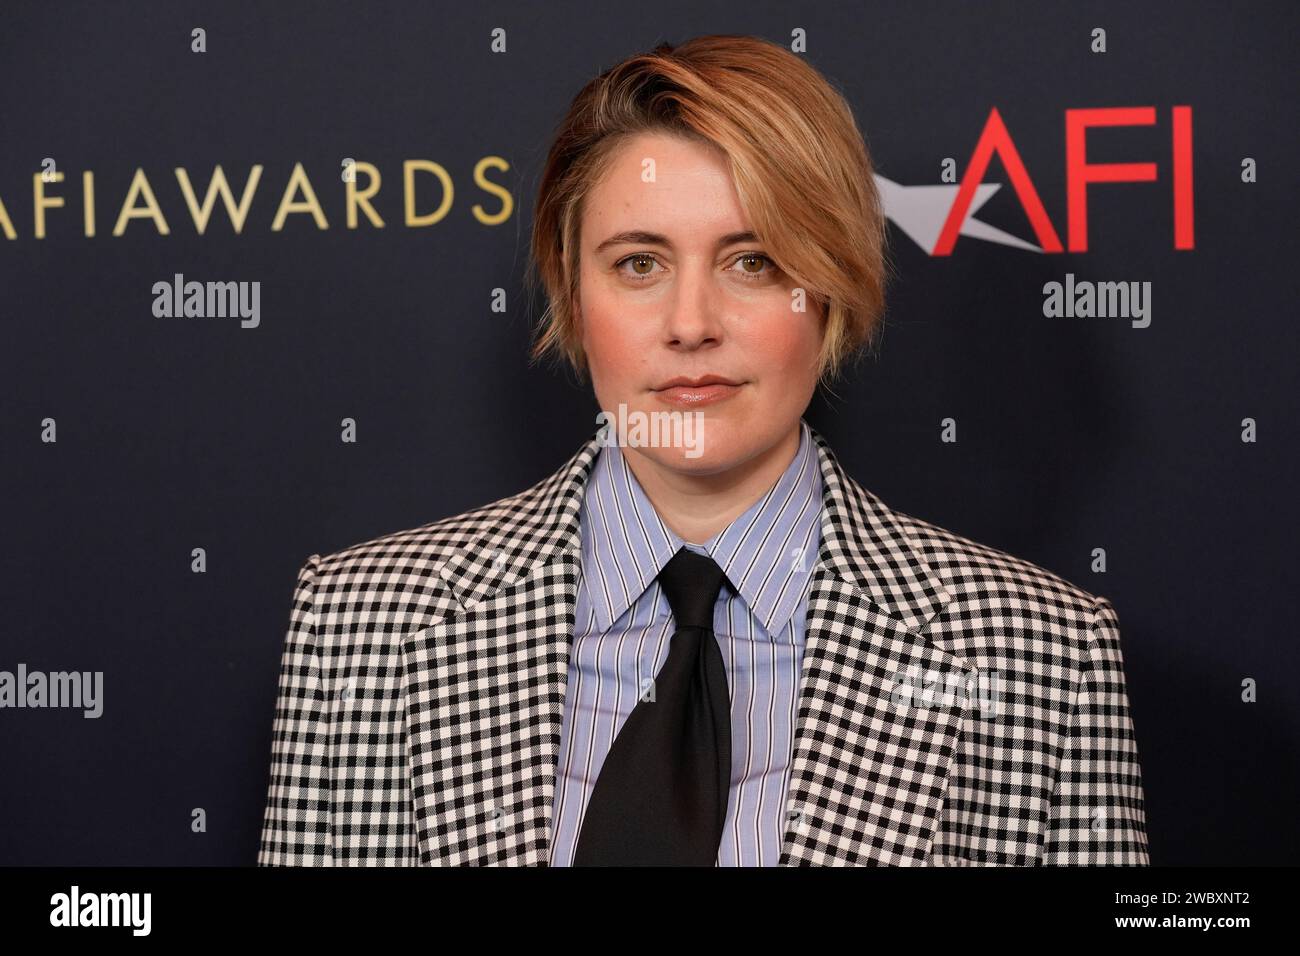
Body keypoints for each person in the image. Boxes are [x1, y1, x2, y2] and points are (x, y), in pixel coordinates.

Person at [257, 34, 1149, 867]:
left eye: (752, 261)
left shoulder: (1040, 656)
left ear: (832, 284)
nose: (691, 326)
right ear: (571, 292)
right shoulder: (363, 626)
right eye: (639, 263)